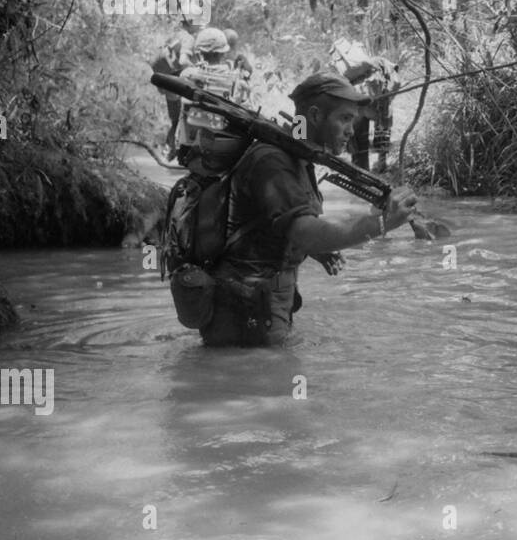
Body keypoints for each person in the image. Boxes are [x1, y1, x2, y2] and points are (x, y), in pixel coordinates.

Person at [199, 72, 418, 347]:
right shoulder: (274, 161)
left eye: (354, 120)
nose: (352, 130)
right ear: (314, 117)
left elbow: (272, 223)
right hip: (245, 309)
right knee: (264, 387)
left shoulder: (295, 157)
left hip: (258, 304)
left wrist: (311, 249)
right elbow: (305, 230)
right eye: (345, 118)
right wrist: (383, 223)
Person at [174, 27, 246, 172]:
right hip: (227, 147)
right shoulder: (238, 80)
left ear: (199, 53)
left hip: (191, 147)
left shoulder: (188, 75)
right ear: (224, 53)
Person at [152, 19, 199, 161]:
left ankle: (169, 151)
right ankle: (174, 151)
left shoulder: (176, 34)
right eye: (198, 21)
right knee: (182, 117)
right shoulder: (189, 38)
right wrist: (197, 69)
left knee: (175, 118)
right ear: (191, 22)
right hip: (176, 82)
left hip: (167, 81)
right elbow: (184, 61)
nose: (200, 25)